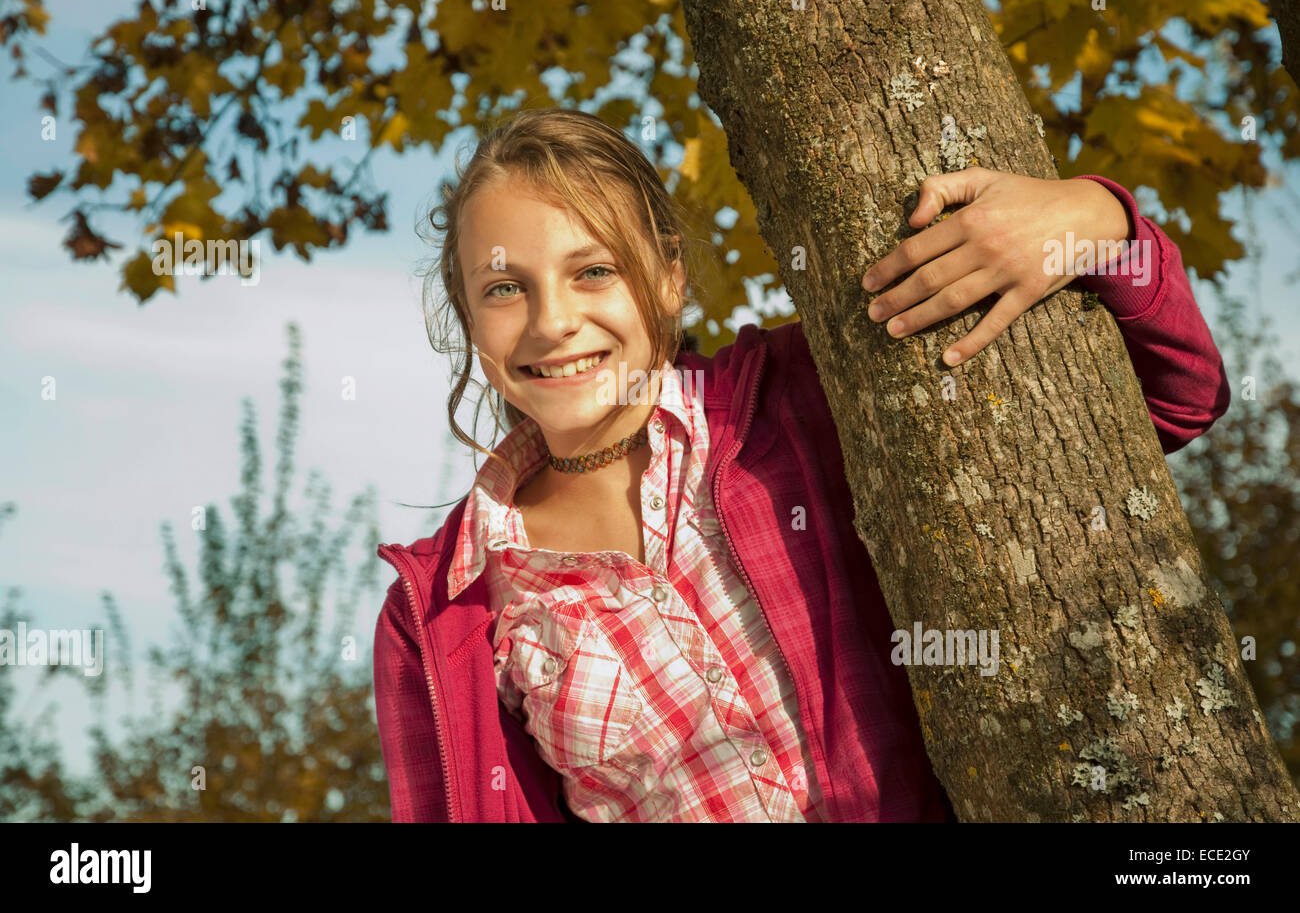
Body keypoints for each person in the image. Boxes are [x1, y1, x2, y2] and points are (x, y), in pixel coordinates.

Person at [373, 107, 1230, 822]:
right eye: (503, 287)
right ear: (468, 318)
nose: (551, 321)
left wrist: (1097, 222)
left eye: (593, 271)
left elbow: (1174, 399)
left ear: (669, 276)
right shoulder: (448, 607)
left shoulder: (804, 400)